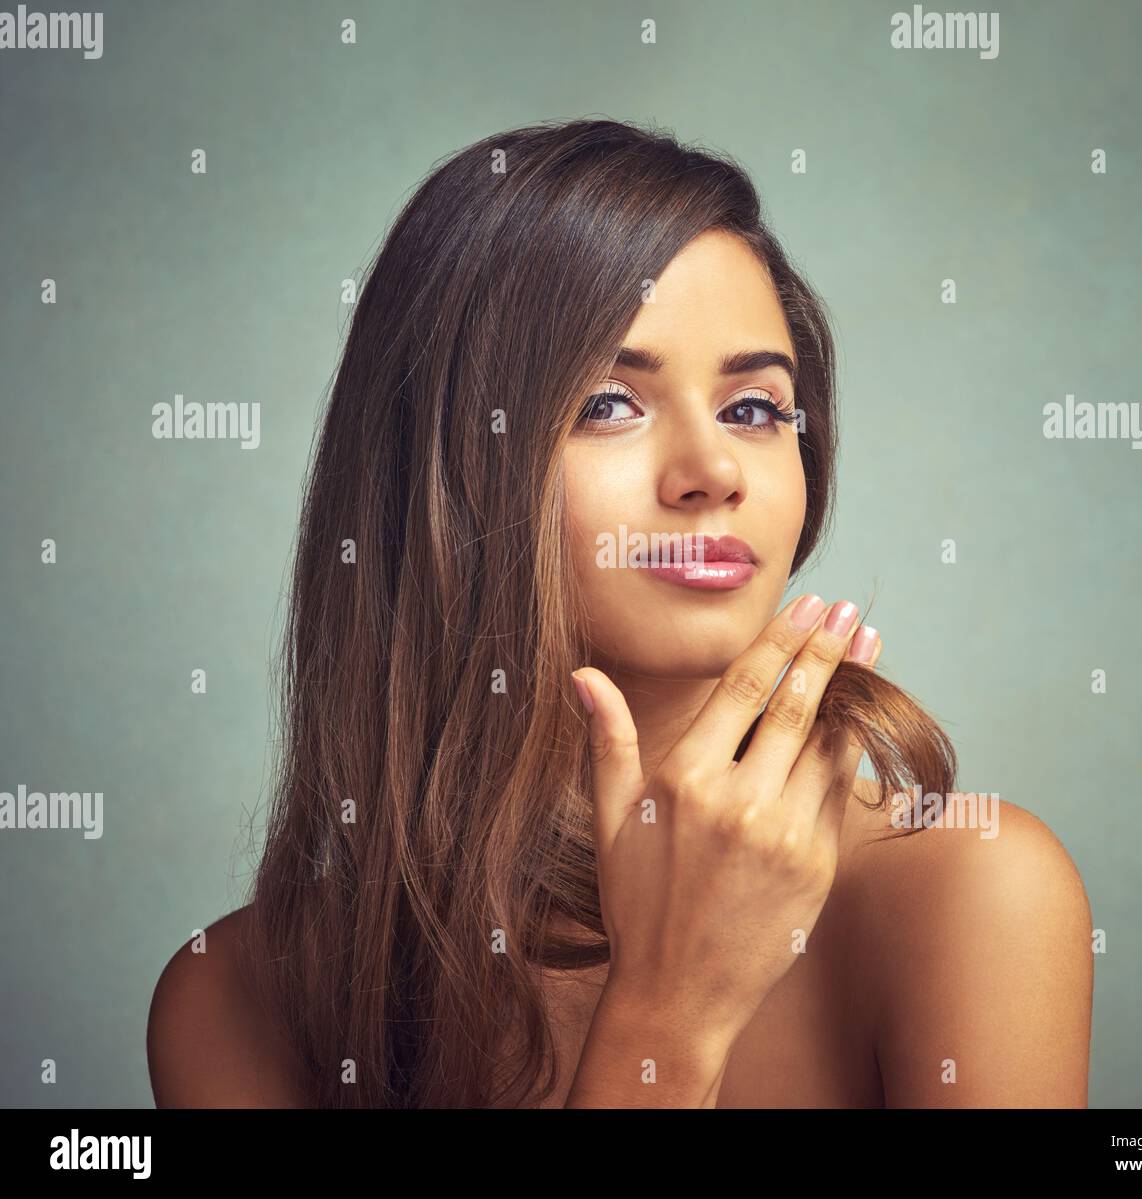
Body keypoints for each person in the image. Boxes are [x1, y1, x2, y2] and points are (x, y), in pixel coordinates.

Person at [147, 118, 1093, 1108]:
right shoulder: (229, 999)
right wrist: (669, 1017)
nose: (713, 471)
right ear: (439, 472)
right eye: (607, 403)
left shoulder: (970, 894)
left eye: (755, 408)